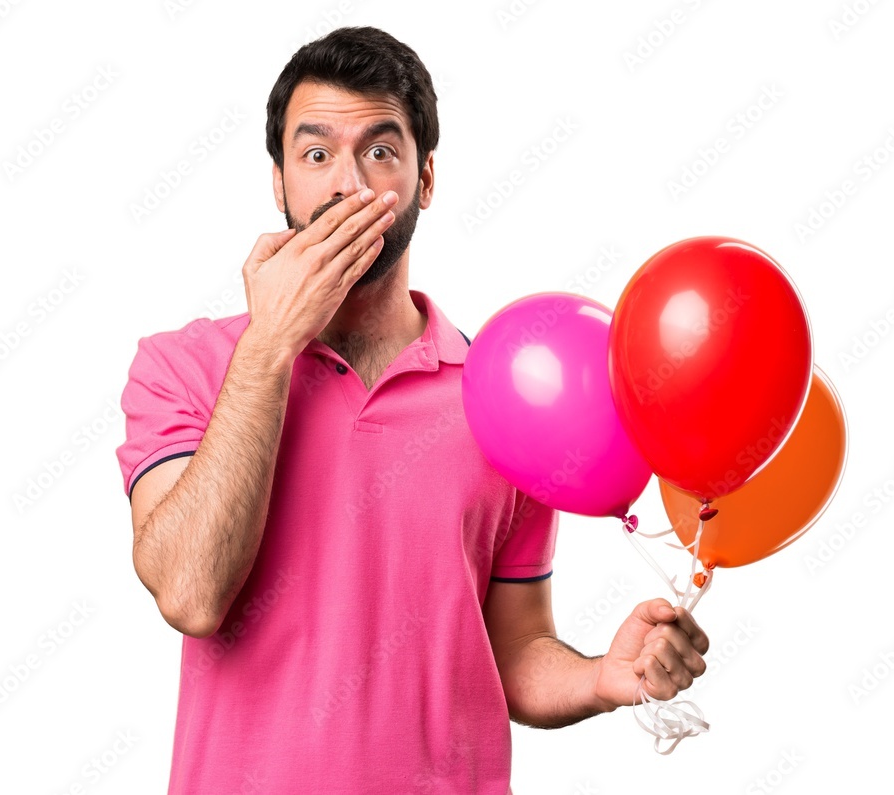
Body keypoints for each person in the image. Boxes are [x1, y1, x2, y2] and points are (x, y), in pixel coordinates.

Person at [115, 26, 709, 794]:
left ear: (425, 178)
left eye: (380, 151)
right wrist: (269, 347)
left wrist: (601, 676)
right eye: (316, 154)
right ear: (279, 183)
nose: (349, 185)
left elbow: (514, 650)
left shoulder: (505, 398)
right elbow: (190, 592)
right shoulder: (182, 366)